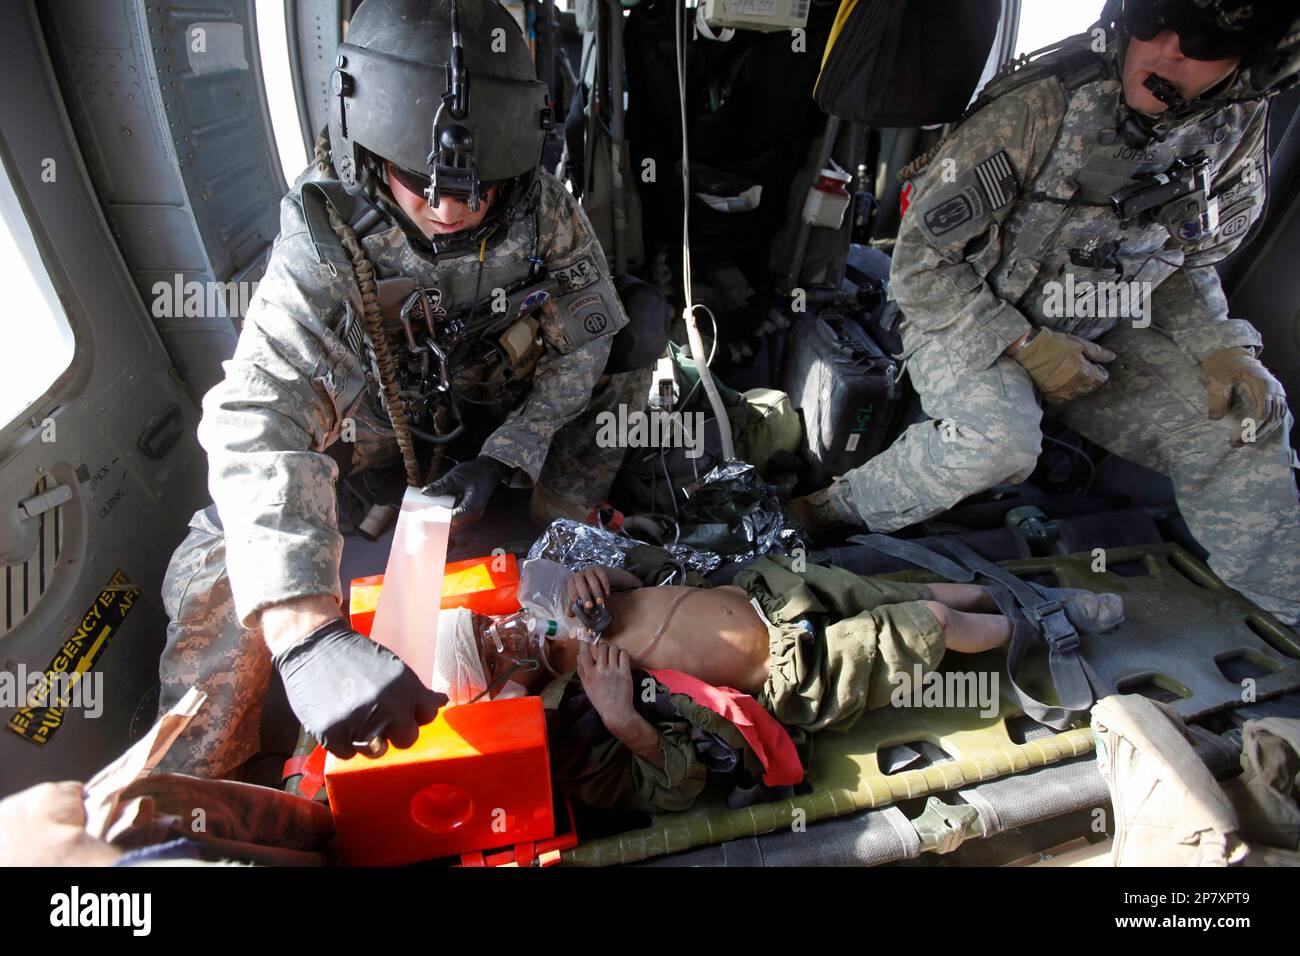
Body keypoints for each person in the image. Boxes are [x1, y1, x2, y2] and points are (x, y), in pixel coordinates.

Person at [155, 0, 670, 778]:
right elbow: (254, 417)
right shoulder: (322, 232)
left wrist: (507, 456)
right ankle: (198, 791)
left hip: (491, 419)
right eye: (421, 185)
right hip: (375, 446)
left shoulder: (542, 208)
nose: (454, 210)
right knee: (220, 556)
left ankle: (555, 540)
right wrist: (306, 629)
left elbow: (589, 332)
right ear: (372, 153)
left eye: (481, 190)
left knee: (640, 338)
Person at [790, 0, 1300, 626]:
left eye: (1198, 43)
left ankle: (1285, 619)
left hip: (1103, 327)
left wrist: (1220, 346)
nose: (1164, 52)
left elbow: (1184, 257)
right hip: (967, 314)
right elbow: (920, 266)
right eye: (1152, 24)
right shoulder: (1042, 107)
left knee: (1247, 419)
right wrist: (1027, 344)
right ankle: (827, 509)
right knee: (1000, 442)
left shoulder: (1234, 122)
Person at [431, 559, 1122, 811]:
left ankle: (1018, 600)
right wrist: (625, 723)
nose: (503, 637)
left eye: (486, 627)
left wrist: (605, 578)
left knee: (931, 590)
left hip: (777, 594)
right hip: (797, 674)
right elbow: (679, 787)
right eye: (490, 655)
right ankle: (1048, 625)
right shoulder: (575, 734)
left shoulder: (563, 604)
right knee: (929, 622)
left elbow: (655, 565)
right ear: (500, 693)